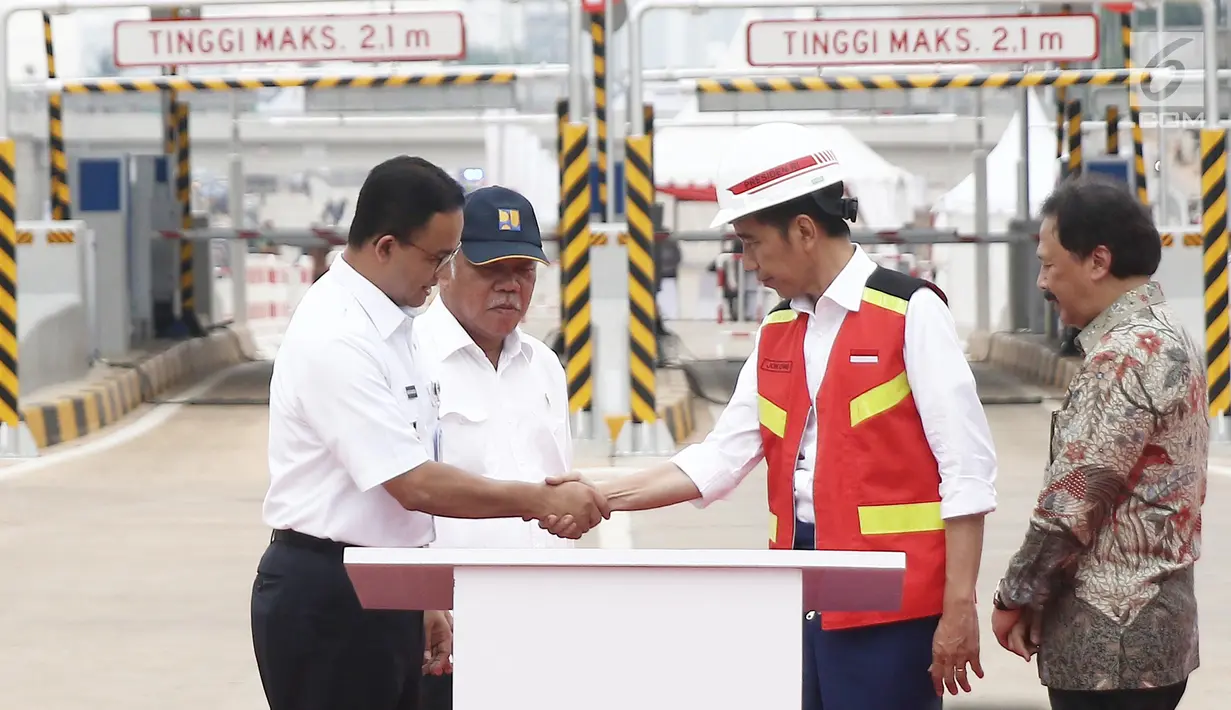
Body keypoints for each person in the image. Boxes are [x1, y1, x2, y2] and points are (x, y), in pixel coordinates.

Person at [545, 122, 998, 710]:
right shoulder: (780, 330)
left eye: (753, 242)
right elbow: (720, 458)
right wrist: (598, 490)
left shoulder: (910, 313)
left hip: (890, 598)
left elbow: (967, 471)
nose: (747, 261)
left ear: (804, 230)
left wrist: (959, 604)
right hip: (799, 588)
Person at [250, 156, 609, 710]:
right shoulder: (337, 336)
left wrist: (420, 595)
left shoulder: (397, 328)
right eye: (439, 258)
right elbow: (412, 483)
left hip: (385, 585)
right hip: (331, 597)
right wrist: (539, 501)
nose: (441, 275)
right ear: (386, 246)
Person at [991, 174, 1206, 710]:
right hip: (1152, 639)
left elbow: (1070, 505)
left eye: (1049, 264)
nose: (1042, 282)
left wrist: (1015, 594)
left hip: (1112, 648)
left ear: (1097, 261)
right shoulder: (1166, 334)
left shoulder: (1126, 356)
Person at [411, 185, 573, 708]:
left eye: (523, 270)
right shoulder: (410, 359)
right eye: (490, 268)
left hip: (542, 633)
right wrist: (419, 602)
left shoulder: (545, 367)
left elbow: (558, 494)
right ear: (446, 268)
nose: (510, 286)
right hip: (449, 632)